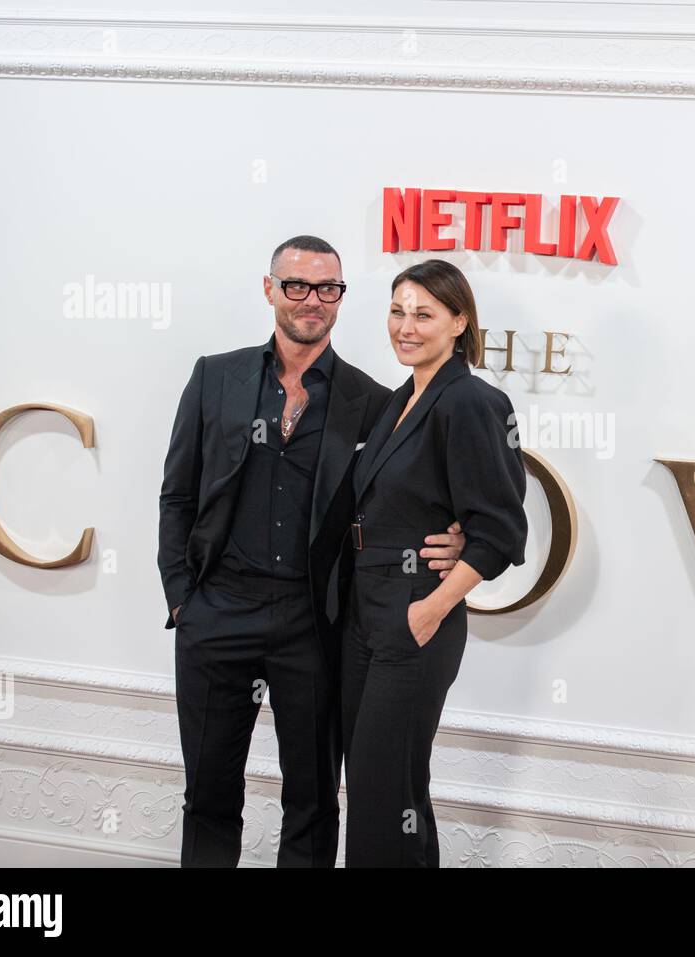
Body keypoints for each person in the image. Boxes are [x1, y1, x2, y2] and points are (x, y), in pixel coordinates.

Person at [157, 236, 466, 867]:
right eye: (296, 285)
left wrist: (457, 535)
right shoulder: (216, 376)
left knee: (315, 798)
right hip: (216, 614)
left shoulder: (375, 401)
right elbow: (176, 494)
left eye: (329, 289)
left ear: (341, 298)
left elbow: (402, 500)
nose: (312, 300)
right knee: (209, 794)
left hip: (317, 624)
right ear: (269, 289)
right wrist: (183, 598)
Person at [341, 259, 528, 867]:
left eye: (423, 314)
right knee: (389, 790)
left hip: (415, 614)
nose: (406, 326)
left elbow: (499, 531)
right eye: (398, 311)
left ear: (459, 321)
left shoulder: (472, 401)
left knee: (379, 790)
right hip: (364, 614)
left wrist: (431, 607)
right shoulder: (397, 400)